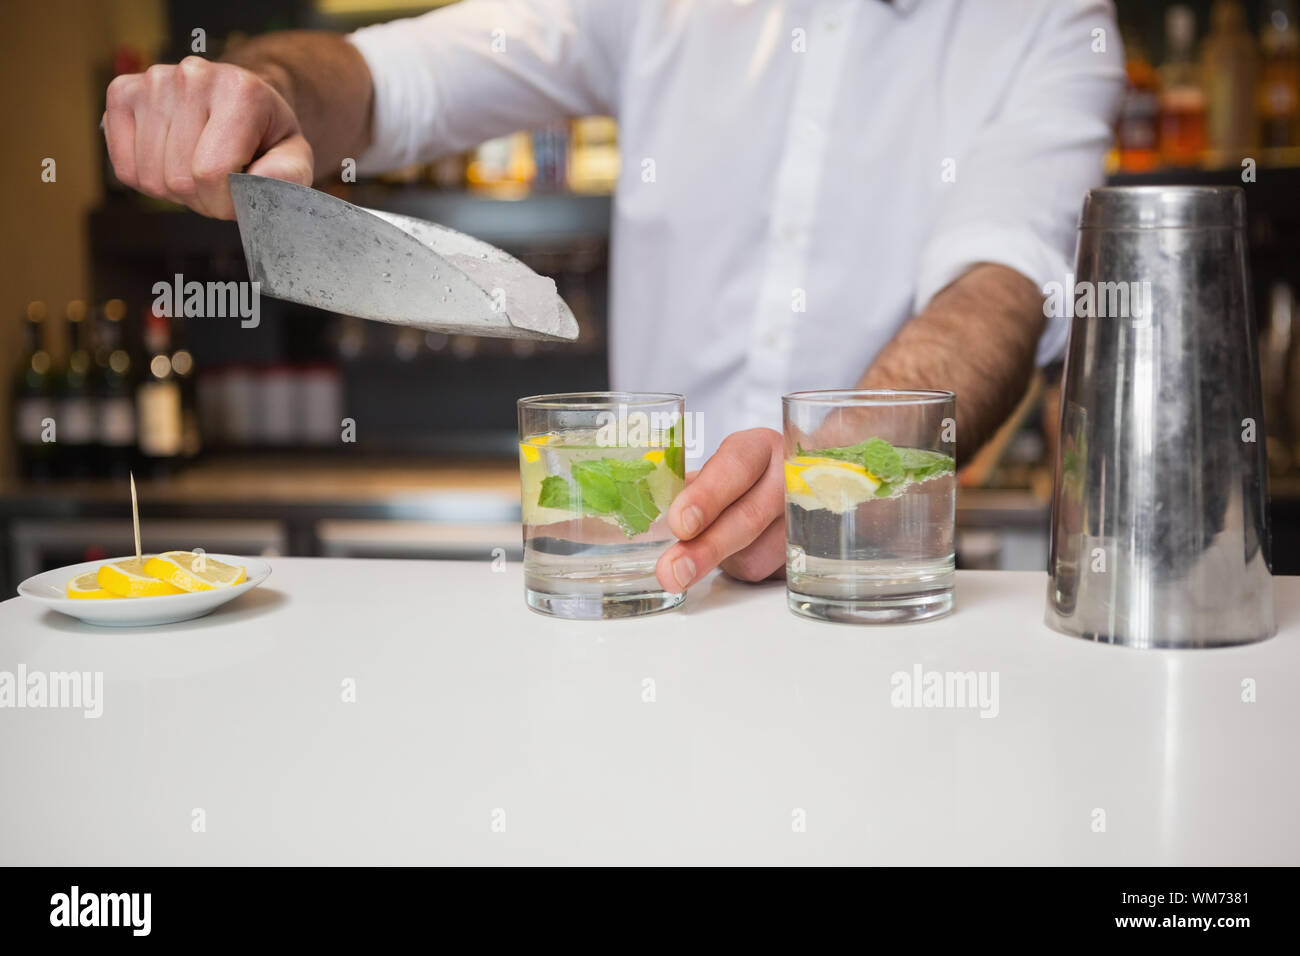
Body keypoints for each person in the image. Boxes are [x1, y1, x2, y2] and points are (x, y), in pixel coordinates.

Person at [102, 0, 1124, 595]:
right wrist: (266, 88)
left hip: (865, 583)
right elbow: (390, 81)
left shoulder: (1050, 24)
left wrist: (831, 470)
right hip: (638, 577)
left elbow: (995, 285)